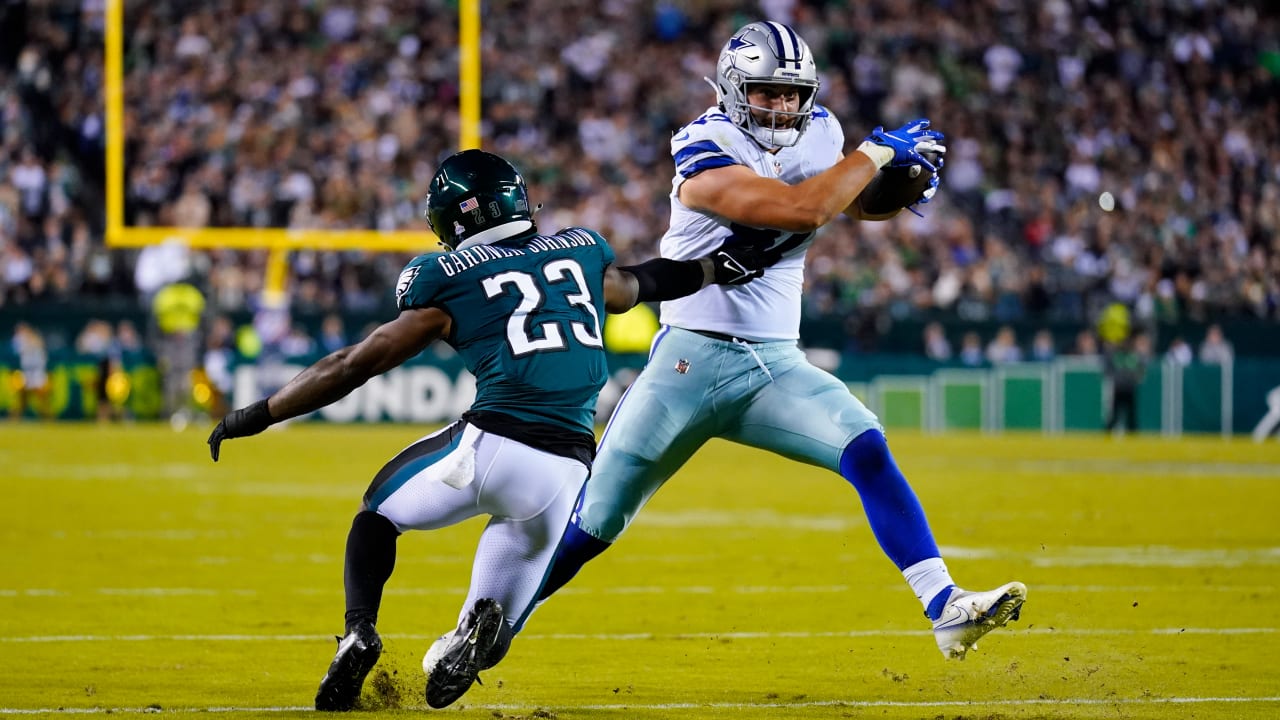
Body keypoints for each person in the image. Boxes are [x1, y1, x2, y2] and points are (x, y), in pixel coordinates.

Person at [205, 149, 774, 711]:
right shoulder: (580, 251)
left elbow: (357, 363)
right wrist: (716, 267)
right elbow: (638, 284)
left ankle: (359, 632)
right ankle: (466, 643)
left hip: (489, 446)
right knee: (490, 624)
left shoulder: (444, 276)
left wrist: (258, 414)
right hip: (568, 471)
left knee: (376, 514)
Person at [536, 20, 1026, 662]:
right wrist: (875, 153)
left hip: (772, 365)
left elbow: (852, 203)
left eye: (793, 93)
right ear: (736, 88)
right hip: (687, 362)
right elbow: (800, 210)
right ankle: (481, 628)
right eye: (768, 92)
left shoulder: (821, 131)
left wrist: (900, 181)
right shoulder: (702, 142)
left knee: (867, 449)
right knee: (592, 524)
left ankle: (944, 606)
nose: (784, 106)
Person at [1104, 331, 1151, 435]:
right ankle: (1107, 433)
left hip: (1130, 389)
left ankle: (1133, 434)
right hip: (1119, 389)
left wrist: (1138, 376)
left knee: (1131, 415)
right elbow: (1108, 368)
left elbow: (1142, 367)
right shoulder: (1116, 355)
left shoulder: (1134, 356)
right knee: (1115, 414)